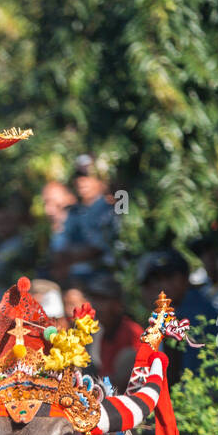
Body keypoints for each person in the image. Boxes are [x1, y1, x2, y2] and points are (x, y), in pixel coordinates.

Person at [137, 248, 218, 374]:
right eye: (158, 279)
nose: (163, 284)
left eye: (170, 277)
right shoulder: (179, 309)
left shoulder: (194, 311)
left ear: (185, 277)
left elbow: (190, 374)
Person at [53, 152, 120, 280]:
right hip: (75, 278)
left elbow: (99, 247)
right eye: (78, 176)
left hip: (105, 276)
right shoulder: (73, 213)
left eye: (87, 175)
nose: (81, 181)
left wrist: (73, 254)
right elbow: (59, 247)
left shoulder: (111, 210)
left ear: (102, 179)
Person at [78, 268, 142, 387]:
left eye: (102, 299)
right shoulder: (99, 331)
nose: (96, 305)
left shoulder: (132, 331)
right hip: (105, 391)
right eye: (94, 299)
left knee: (128, 356)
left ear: (118, 304)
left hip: (129, 396)